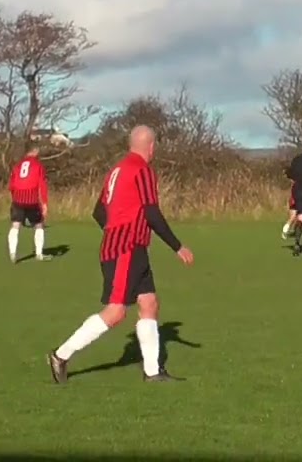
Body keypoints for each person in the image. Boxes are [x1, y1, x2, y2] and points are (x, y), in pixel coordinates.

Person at [46, 125, 194, 384]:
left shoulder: (117, 170)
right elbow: (151, 211)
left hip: (126, 246)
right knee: (116, 312)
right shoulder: (142, 170)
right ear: (151, 146)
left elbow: (98, 212)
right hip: (126, 249)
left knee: (149, 304)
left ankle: (152, 373)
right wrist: (177, 245)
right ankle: (60, 354)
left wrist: (115, 231)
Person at [8, 147, 50, 263]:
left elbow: (11, 185)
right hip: (32, 200)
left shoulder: (17, 165)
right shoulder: (38, 165)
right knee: (39, 225)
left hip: (18, 199)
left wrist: (14, 197)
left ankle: (12, 253)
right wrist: (45, 203)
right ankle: (39, 254)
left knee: (15, 225)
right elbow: (42, 185)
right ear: (33, 152)